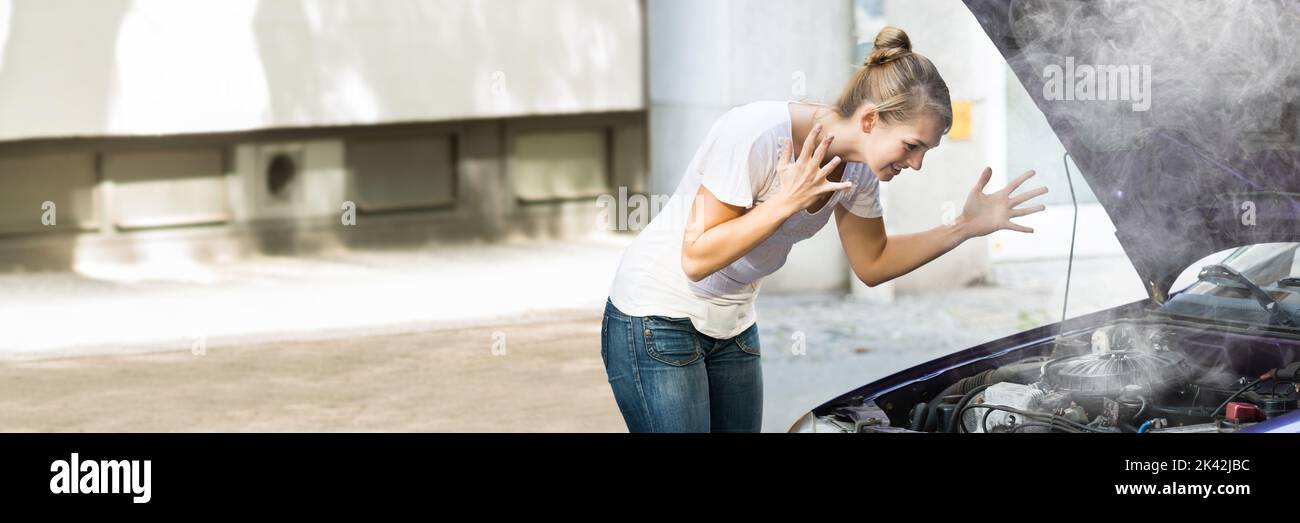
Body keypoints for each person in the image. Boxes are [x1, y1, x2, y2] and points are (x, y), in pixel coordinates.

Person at [601, 26, 1048, 432]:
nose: (916, 163)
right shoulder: (756, 134)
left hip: (732, 322)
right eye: (912, 146)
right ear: (870, 120)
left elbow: (872, 263)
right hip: (655, 318)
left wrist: (965, 227)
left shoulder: (862, 171)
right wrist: (786, 202)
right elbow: (696, 257)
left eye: (925, 151)